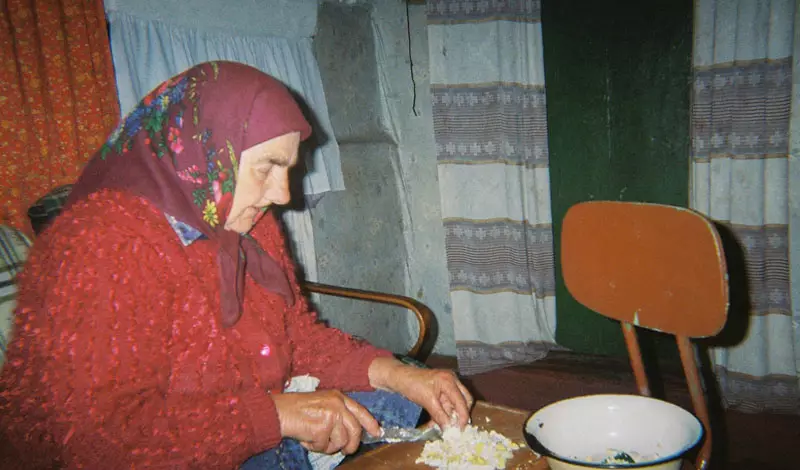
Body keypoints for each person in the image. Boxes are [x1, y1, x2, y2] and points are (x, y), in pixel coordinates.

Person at [0, 61, 472, 469]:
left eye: (287, 168)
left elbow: (298, 338)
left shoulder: (247, 222)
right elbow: (97, 441)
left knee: (407, 414)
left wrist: (401, 374)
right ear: (205, 151)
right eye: (267, 167)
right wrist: (278, 416)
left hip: (244, 417)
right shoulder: (98, 246)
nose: (283, 194)